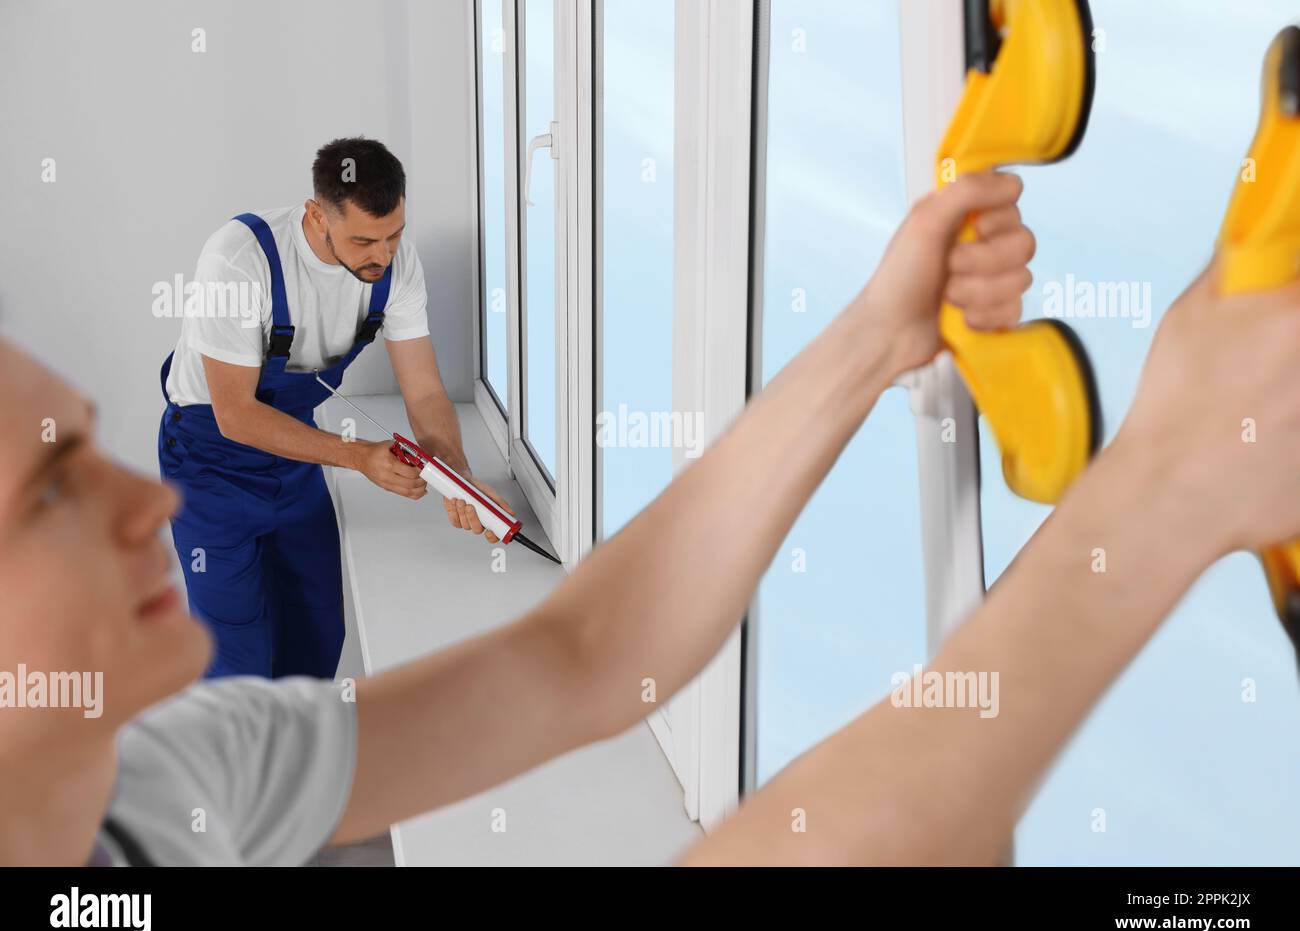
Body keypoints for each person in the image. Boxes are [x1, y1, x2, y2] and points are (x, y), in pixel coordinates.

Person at [4, 172, 1298, 865]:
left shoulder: (173, 783)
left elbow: (579, 655)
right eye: (49, 489)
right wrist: (1167, 487)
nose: (144, 502)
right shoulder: (242, 271)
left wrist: (871, 337)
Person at [158, 137, 512, 681]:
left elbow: (423, 393)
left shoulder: (397, 266)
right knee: (236, 656)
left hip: (295, 451)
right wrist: (360, 458)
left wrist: (458, 479)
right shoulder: (238, 259)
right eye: (365, 240)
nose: (383, 255)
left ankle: (302, 762)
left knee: (318, 632)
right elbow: (236, 415)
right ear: (317, 216)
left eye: (394, 234)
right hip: (210, 463)